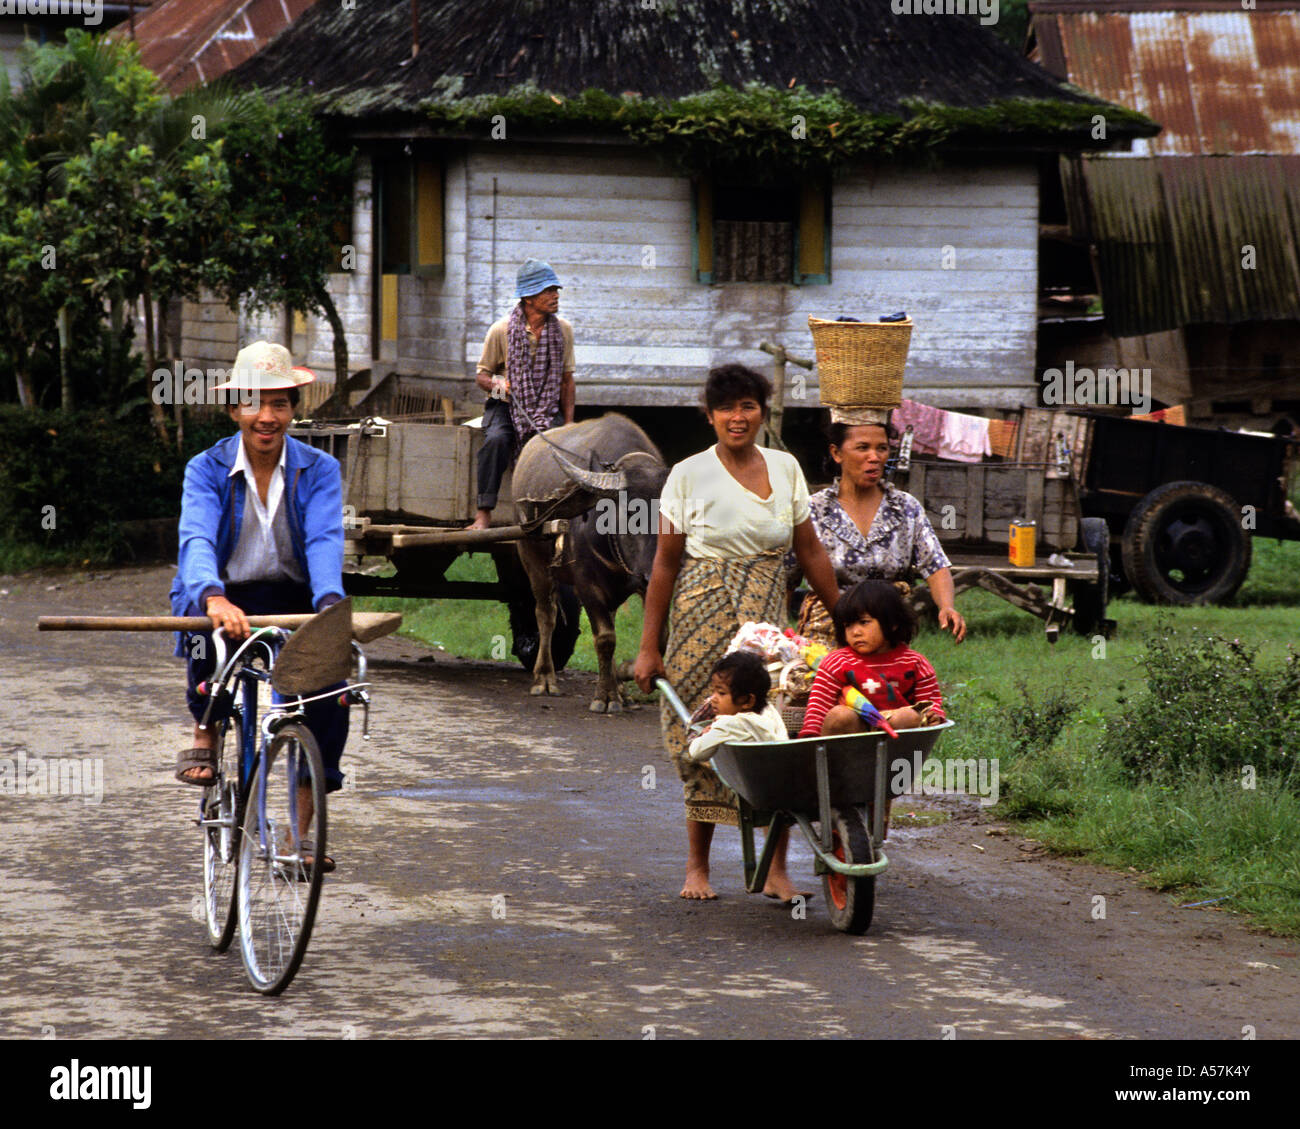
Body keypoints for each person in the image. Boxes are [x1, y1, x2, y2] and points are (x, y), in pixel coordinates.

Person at [633, 363, 841, 902]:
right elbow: (665, 564)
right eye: (726, 408)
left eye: (748, 406)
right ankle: (697, 868)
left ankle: (775, 870)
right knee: (706, 727)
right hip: (703, 611)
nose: (737, 417)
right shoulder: (687, 474)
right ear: (710, 415)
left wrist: (841, 611)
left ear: (762, 412)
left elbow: (810, 550)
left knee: (775, 729)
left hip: (765, 620)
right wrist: (648, 645)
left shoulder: (786, 467)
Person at [171, 341, 347, 873]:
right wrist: (214, 593)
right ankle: (205, 725)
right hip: (224, 591)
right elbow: (197, 536)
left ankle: (297, 836)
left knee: (328, 697)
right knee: (208, 637)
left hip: (296, 597)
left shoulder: (318, 469)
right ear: (234, 409)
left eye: (280, 404)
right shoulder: (205, 468)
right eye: (254, 403)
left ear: (295, 408)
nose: (267, 418)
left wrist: (331, 604)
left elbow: (323, 540)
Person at [798, 417, 966, 646]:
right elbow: (787, 576)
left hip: (887, 632)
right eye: (863, 448)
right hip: (828, 631)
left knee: (886, 682)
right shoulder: (813, 509)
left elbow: (935, 565)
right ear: (837, 453)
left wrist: (947, 607)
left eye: (882, 448)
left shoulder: (905, 507)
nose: (875, 458)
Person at [468, 258, 576, 530]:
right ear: (529, 298)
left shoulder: (563, 330)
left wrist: (570, 423)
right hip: (504, 405)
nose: (555, 296)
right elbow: (481, 376)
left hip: (546, 406)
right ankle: (483, 513)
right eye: (548, 291)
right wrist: (500, 387)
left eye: (555, 290)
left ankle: (554, 512)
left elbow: (567, 380)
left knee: (559, 447)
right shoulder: (501, 330)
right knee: (496, 440)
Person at [799, 580, 946, 740]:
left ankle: (894, 765)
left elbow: (930, 703)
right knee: (839, 715)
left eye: (864, 622)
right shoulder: (837, 662)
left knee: (908, 717)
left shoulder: (914, 663)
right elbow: (818, 707)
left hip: (895, 731)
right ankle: (836, 764)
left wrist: (934, 716)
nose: (855, 632)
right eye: (848, 625)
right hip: (852, 730)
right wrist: (809, 739)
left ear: (892, 624)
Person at [687, 652, 787, 763]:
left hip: (747, 776)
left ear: (748, 701)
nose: (713, 698)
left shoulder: (729, 724)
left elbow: (696, 753)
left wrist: (704, 735)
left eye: (721, 693)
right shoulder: (769, 711)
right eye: (713, 691)